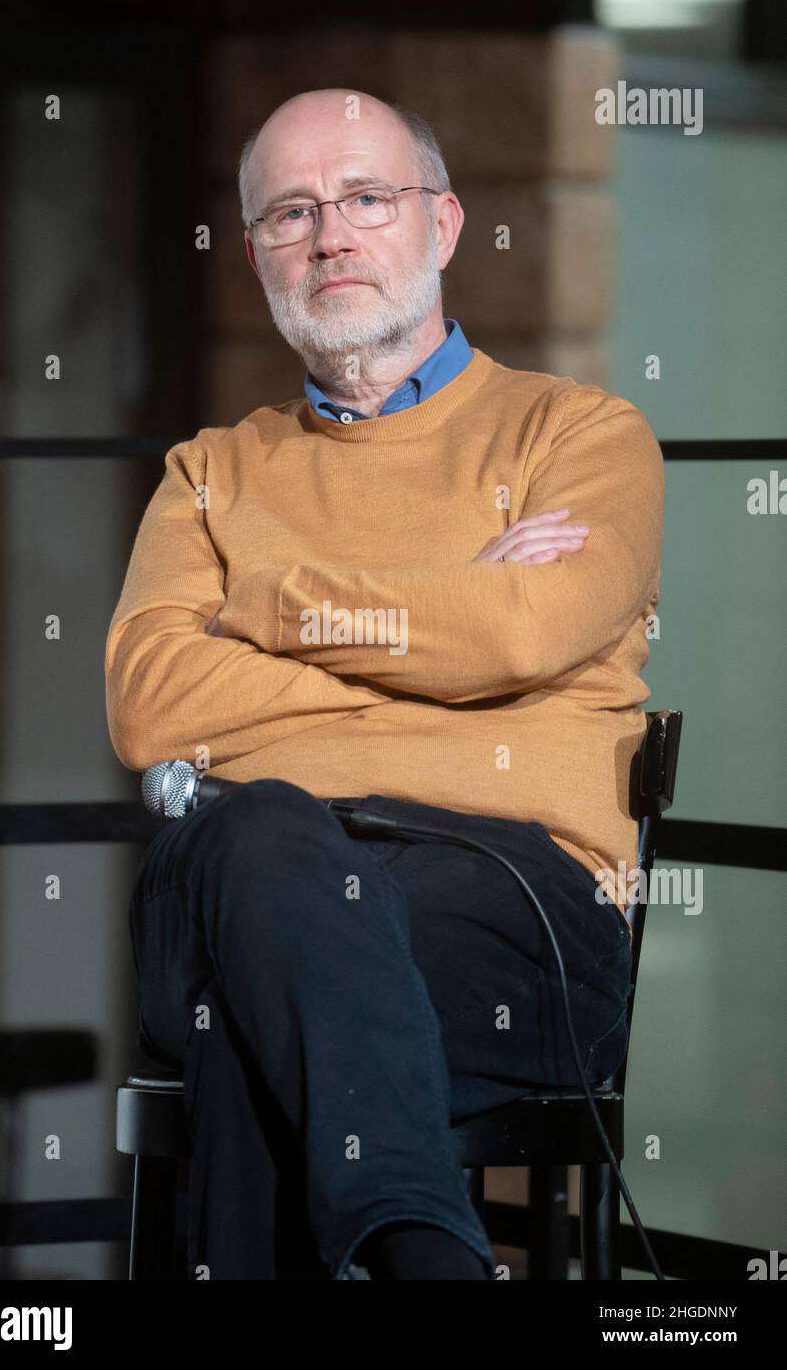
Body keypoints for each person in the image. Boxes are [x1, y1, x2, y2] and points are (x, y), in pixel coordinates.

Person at [105, 88, 664, 1280]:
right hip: (258, 876)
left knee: (260, 1009)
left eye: (366, 198)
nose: (329, 236)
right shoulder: (206, 473)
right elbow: (152, 701)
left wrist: (263, 609)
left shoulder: (579, 436)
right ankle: (426, 1258)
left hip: (508, 908)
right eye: (291, 212)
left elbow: (523, 628)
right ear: (255, 251)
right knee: (263, 846)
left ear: (445, 225)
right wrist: (434, 639)